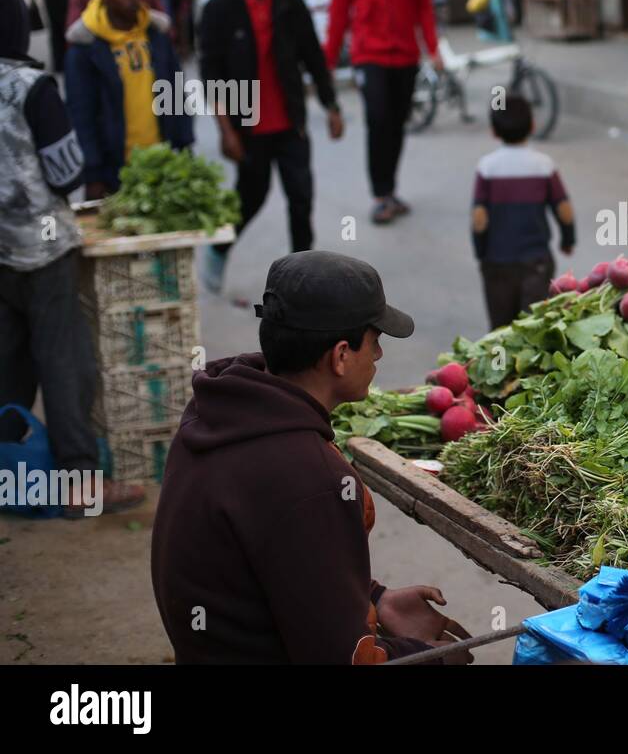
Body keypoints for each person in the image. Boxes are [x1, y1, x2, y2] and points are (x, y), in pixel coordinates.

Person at [151, 250, 473, 663]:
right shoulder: (309, 476)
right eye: (374, 343)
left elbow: (279, 562)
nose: (378, 357)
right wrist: (427, 656)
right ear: (340, 356)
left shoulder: (217, 411)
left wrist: (377, 598)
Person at [0, 0, 144, 515]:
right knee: (66, 364)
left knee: (8, 366)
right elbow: (66, 170)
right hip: (42, 249)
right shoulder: (31, 87)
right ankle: (81, 482)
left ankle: (9, 479)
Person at [198, 0, 343, 294]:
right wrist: (226, 129)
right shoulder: (220, 9)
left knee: (301, 199)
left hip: (290, 123)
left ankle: (303, 279)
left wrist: (331, 105)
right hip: (248, 128)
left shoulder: (289, 3)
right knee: (250, 198)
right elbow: (211, 72)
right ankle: (218, 251)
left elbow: (313, 55)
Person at [325, 0, 442, 225]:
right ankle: (380, 194)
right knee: (378, 120)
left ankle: (390, 189)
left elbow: (424, 9)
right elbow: (337, 16)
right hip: (369, 57)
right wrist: (328, 63)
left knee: (397, 122)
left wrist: (433, 49)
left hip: (406, 56)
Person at [64, 0, 192, 198]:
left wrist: (184, 143)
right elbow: (81, 115)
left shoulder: (156, 34)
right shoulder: (85, 47)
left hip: (163, 163)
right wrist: (93, 174)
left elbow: (176, 93)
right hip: (115, 172)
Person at [472, 95, 575, 329]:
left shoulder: (487, 167)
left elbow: (479, 218)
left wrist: (481, 252)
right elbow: (564, 209)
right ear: (533, 126)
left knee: (500, 329)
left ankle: (500, 363)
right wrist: (568, 239)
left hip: (497, 261)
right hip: (536, 262)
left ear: (493, 132)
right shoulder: (544, 165)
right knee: (533, 328)